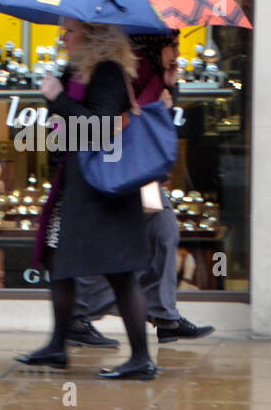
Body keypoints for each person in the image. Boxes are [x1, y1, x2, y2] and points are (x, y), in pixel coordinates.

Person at [17, 18, 155, 379]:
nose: (63, 37)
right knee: (59, 262)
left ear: (91, 36)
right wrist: (56, 97)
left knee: (120, 272)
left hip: (103, 188)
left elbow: (99, 125)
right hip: (76, 185)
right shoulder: (75, 70)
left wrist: (57, 97)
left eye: (70, 31)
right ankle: (57, 346)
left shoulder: (108, 71)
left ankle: (141, 358)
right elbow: (64, 123)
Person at [67, 32, 214, 348]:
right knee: (119, 245)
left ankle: (165, 318)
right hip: (121, 171)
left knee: (163, 232)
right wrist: (156, 101)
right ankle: (77, 315)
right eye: (172, 46)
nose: (177, 53)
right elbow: (121, 117)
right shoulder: (130, 68)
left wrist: (171, 85)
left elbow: (159, 113)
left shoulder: (155, 73)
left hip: (141, 174)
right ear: (155, 46)